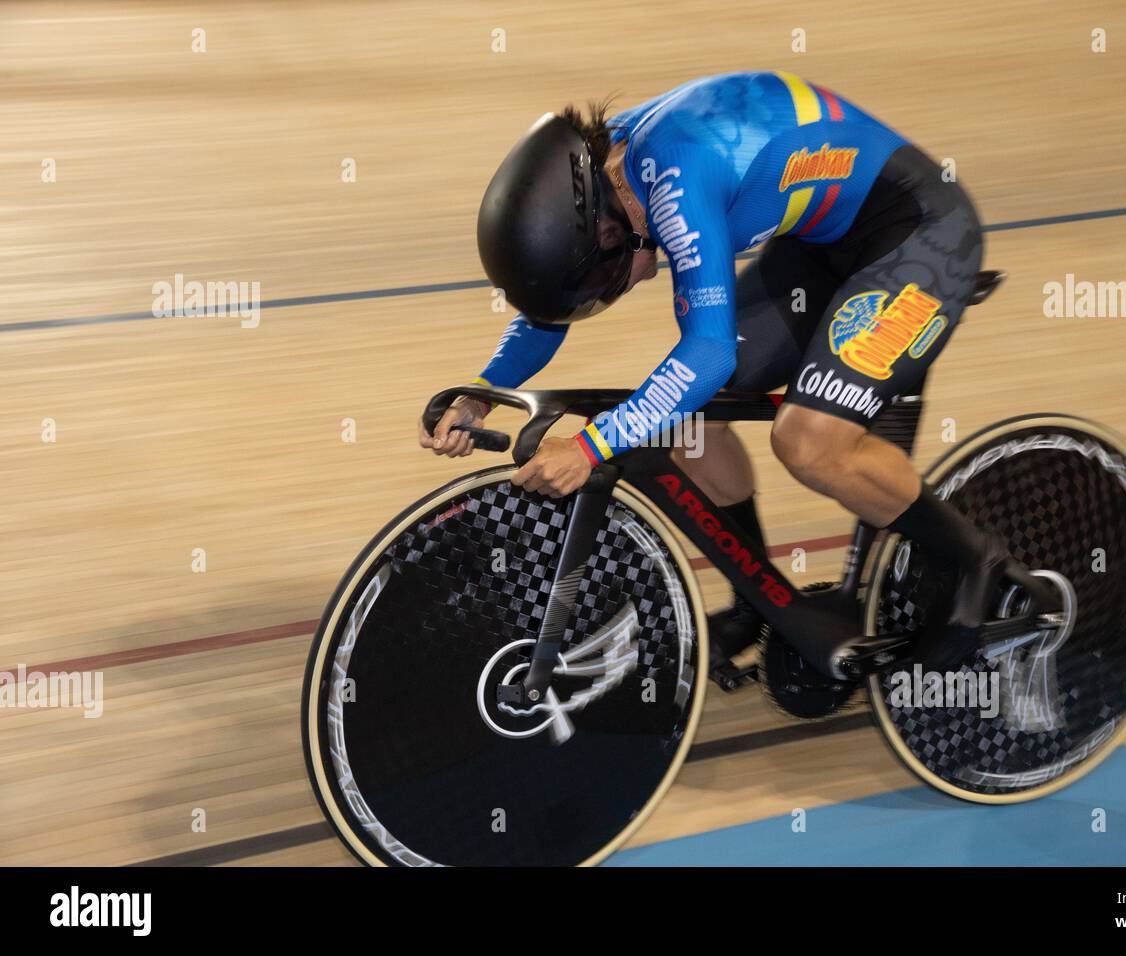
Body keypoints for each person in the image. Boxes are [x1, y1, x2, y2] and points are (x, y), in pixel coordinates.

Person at [422, 72, 1007, 679]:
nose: (607, 296)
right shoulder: (609, 173)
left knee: (807, 442)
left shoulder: (674, 188)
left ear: (608, 233)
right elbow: (553, 308)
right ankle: (759, 601)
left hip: (922, 233)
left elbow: (708, 354)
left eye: (601, 283)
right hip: (825, 239)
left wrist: (591, 447)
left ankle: (975, 559)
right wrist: (480, 394)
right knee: (695, 420)